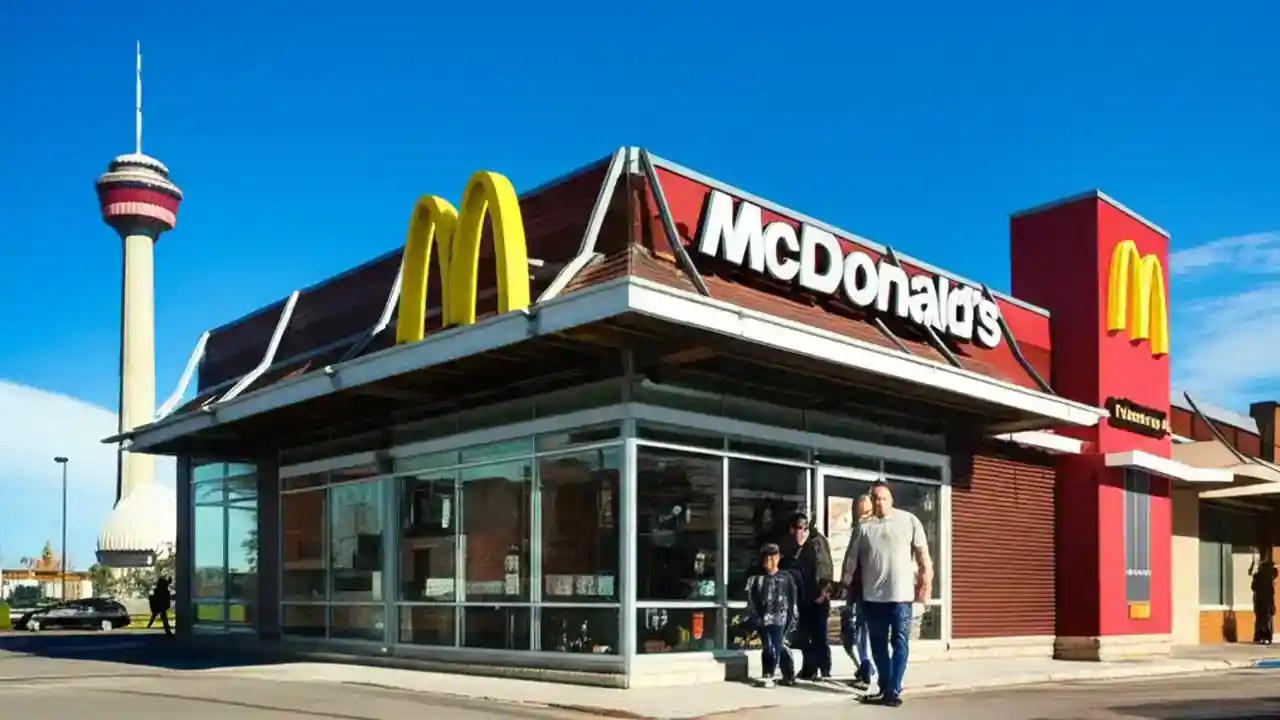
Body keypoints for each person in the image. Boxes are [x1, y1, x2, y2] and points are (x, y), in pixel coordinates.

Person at [841, 482, 933, 707]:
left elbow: (923, 555)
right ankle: (888, 688)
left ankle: (892, 688)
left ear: (892, 500)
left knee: (901, 643)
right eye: (876, 498)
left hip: (901, 597)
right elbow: (851, 560)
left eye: (883, 498)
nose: (879, 502)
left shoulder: (909, 521)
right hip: (873, 598)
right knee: (878, 645)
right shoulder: (864, 528)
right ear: (871, 501)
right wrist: (845, 584)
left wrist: (926, 584)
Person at [780, 512, 834, 681]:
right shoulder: (791, 550)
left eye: (804, 529)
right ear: (791, 530)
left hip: (817, 598)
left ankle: (824, 669)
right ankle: (810, 668)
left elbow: (825, 570)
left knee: (819, 636)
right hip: (802, 600)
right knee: (804, 637)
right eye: (797, 528)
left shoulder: (816, 546)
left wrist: (823, 592)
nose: (800, 533)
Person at [745, 543, 798, 687]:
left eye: (774, 558)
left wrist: (793, 618)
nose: (771, 562)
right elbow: (752, 600)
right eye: (768, 559)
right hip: (764, 618)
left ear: (779, 558)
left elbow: (793, 600)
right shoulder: (757, 579)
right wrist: (753, 618)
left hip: (781, 619)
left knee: (780, 645)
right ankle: (768, 673)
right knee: (767, 646)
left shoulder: (787, 578)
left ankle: (788, 674)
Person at [839, 494, 875, 690]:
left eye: (867, 511)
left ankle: (867, 668)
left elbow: (852, 560)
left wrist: (845, 582)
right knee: (858, 629)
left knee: (864, 630)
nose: (863, 515)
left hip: (869, 589)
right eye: (859, 511)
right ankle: (865, 667)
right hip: (859, 588)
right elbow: (850, 559)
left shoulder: (869, 530)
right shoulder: (859, 529)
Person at [1251, 553, 1277, 645]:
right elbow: (1271, 592)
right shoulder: (1268, 578)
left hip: (1260, 601)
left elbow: (1253, 587)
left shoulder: (1258, 576)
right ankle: (1266, 637)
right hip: (1266, 602)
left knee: (1260, 620)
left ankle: (1261, 637)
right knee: (1267, 620)